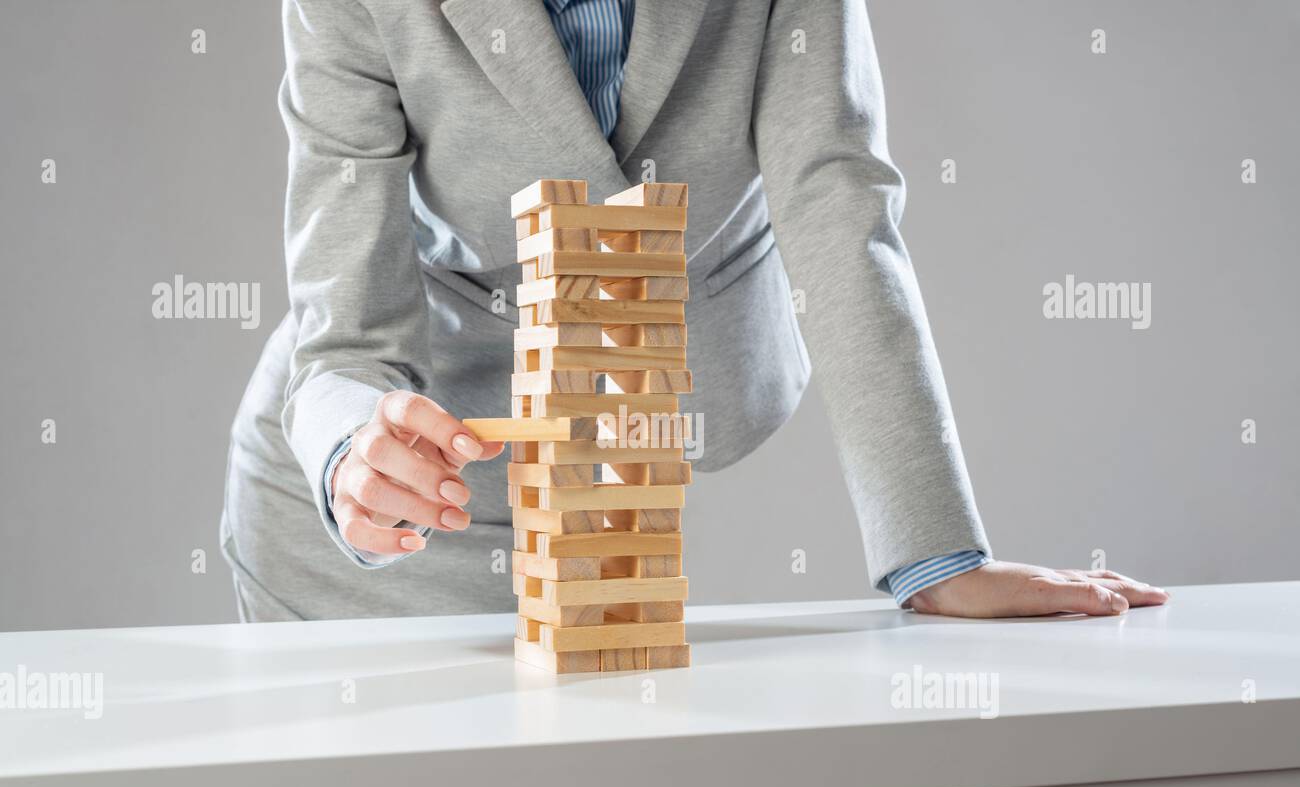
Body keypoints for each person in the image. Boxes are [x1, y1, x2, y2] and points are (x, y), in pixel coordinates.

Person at [221, 0, 1168, 622]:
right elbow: (346, 332)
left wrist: (936, 556)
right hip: (391, 498)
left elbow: (838, 203)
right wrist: (353, 451)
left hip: (623, 486)